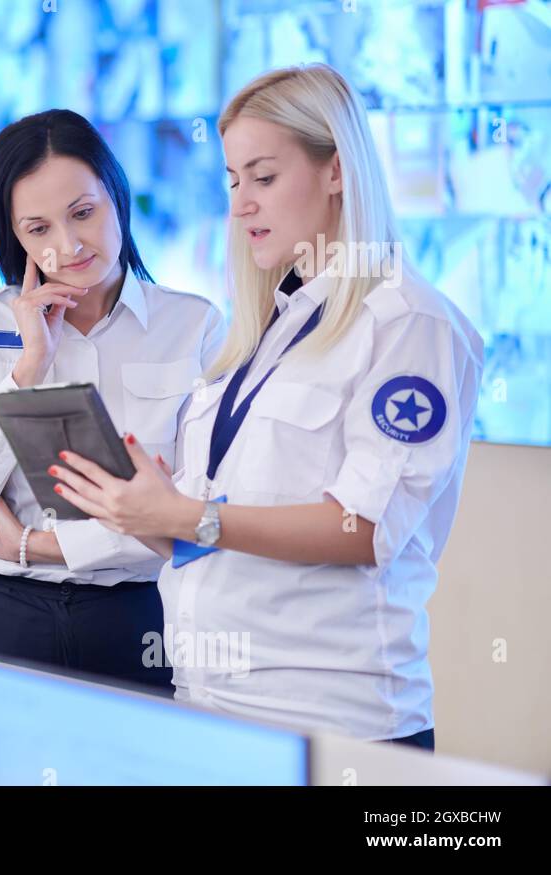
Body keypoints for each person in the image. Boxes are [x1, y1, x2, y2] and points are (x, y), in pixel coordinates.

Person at [49, 65, 484, 751]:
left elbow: (363, 527)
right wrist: (145, 510)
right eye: (231, 181)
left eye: (264, 176)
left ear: (336, 171)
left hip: (333, 725)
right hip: (212, 705)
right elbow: (218, 537)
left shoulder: (407, 323)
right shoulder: (267, 328)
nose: (241, 203)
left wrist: (188, 515)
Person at [0, 109, 224, 692]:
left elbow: (199, 518)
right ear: (14, 236)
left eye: (83, 213)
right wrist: (25, 372)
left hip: (140, 619)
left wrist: (36, 546)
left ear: (116, 197)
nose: (69, 245)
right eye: (38, 230)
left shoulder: (195, 326)